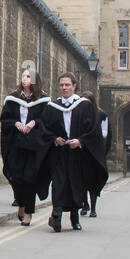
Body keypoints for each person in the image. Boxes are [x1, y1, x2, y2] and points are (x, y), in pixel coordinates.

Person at [43, 73, 96, 232]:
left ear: (74, 86)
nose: (64, 88)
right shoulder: (52, 106)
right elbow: (44, 128)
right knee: (58, 184)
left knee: (75, 184)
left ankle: (75, 218)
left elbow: (93, 130)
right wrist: (54, 139)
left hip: (77, 153)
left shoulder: (84, 106)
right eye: (61, 85)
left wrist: (80, 141)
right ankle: (56, 216)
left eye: (67, 85)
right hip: (59, 153)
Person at [0, 68, 51, 226]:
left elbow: (47, 120)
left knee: (30, 179)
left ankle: (28, 212)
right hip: (16, 144)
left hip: (34, 146)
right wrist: (17, 124)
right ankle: (21, 203)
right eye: (23, 76)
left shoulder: (43, 99)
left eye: (28, 76)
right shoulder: (13, 98)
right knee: (16, 177)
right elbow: (5, 119)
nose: (25, 79)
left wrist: (33, 123)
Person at [78, 91, 110, 217]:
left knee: (93, 181)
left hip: (95, 152)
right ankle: (85, 204)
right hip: (81, 151)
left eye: (88, 102)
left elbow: (105, 133)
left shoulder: (101, 114)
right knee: (81, 181)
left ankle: (93, 208)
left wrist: (90, 134)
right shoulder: (78, 114)